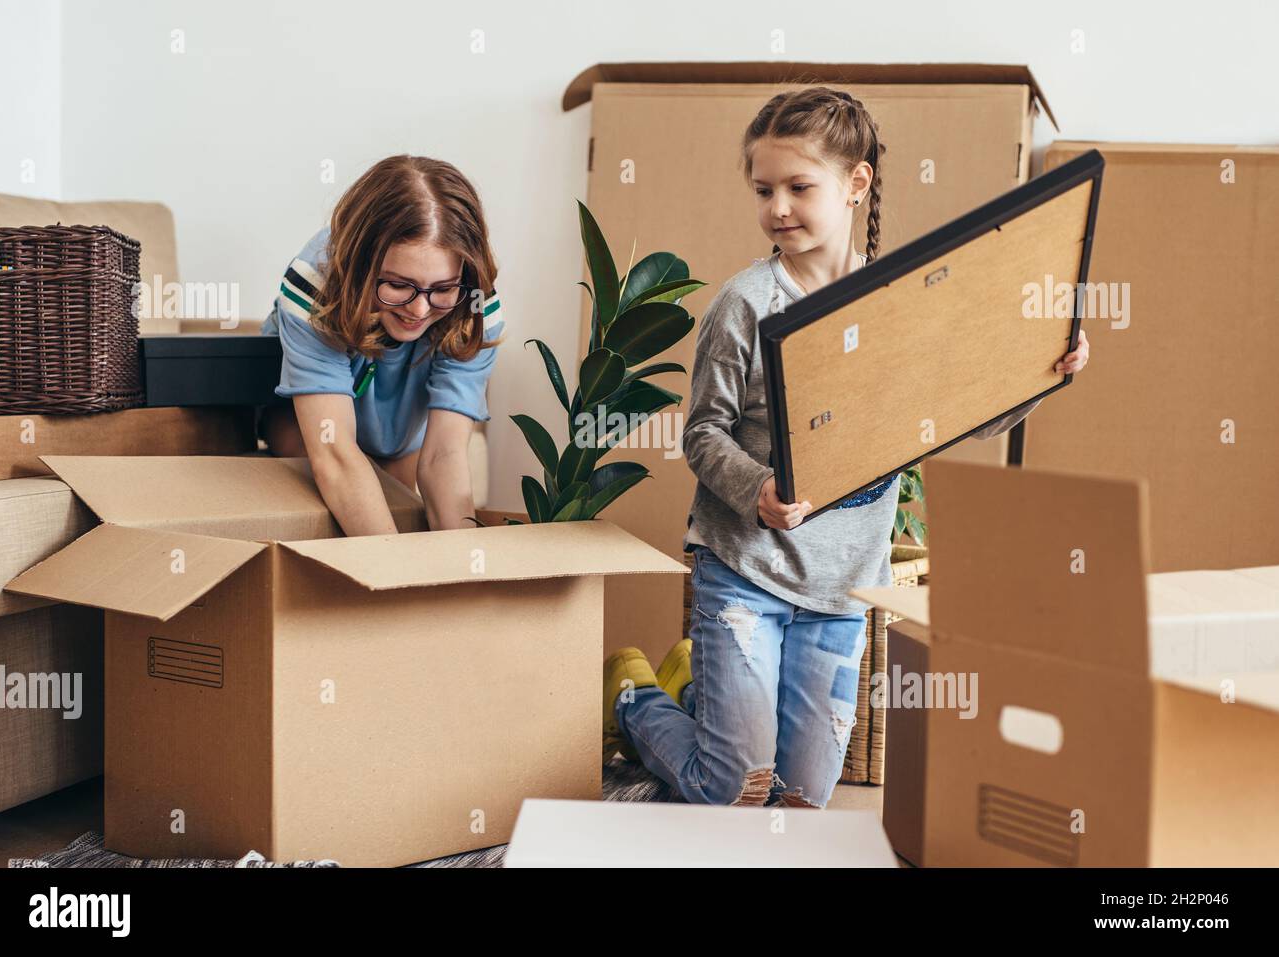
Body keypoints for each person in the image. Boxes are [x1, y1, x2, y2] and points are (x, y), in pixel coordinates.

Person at [602, 88, 1090, 808]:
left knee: (799, 803)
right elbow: (702, 433)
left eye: (800, 187)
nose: (778, 208)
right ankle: (638, 697)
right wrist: (759, 491)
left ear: (856, 184)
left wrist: (1046, 373)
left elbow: (961, 419)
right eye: (764, 189)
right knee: (732, 788)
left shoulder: (897, 307)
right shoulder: (744, 304)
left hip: (840, 591)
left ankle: (695, 690)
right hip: (744, 571)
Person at [258, 155, 505, 534]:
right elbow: (336, 454)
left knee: (402, 509)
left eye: (441, 289)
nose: (419, 309)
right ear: (360, 267)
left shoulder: (474, 306)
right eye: (398, 285)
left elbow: (443, 455)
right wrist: (395, 576)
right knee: (343, 509)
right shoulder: (314, 285)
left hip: (400, 430)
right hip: (305, 423)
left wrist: (467, 571)